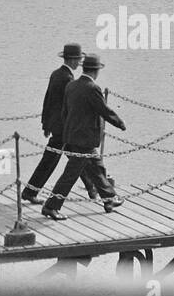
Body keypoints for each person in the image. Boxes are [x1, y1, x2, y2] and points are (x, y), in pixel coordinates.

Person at [42, 53, 125, 218]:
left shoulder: (71, 86)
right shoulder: (92, 88)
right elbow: (103, 110)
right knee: (70, 174)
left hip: (73, 137)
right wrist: (119, 123)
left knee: (96, 167)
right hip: (84, 139)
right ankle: (51, 206)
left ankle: (109, 198)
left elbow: (64, 112)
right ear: (96, 71)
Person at [21, 43, 97, 203]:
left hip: (56, 126)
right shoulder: (68, 78)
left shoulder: (56, 74)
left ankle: (91, 187)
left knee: (73, 158)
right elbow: (67, 106)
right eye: (78, 60)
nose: (79, 63)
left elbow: (47, 101)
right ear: (72, 60)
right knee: (65, 159)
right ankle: (30, 192)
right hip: (64, 128)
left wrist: (45, 123)